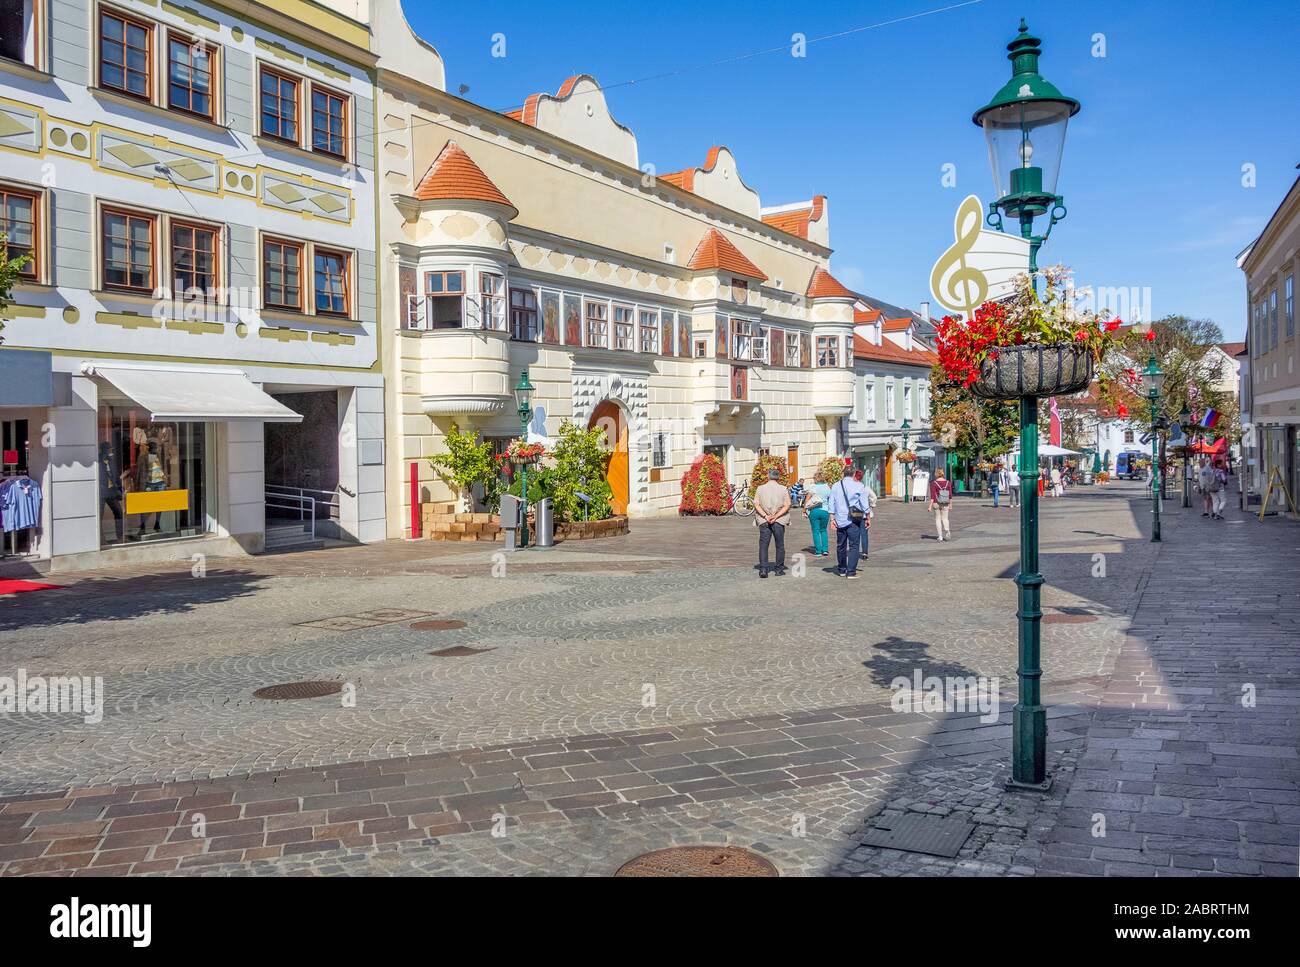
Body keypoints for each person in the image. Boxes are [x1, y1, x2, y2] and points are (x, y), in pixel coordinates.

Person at [827, 465, 868, 579]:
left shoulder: (836, 486)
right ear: (854, 474)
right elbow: (864, 504)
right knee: (854, 546)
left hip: (840, 519)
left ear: (843, 473)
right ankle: (851, 572)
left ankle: (842, 569)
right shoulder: (859, 486)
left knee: (841, 545)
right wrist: (867, 516)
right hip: (853, 519)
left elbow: (831, 503)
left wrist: (832, 519)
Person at [753, 467, 791, 578]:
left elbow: (756, 504)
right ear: (778, 477)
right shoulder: (783, 489)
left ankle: (763, 569)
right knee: (779, 544)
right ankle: (779, 569)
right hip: (779, 520)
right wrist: (776, 516)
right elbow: (787, 504)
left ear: (768, 476)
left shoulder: (760, 488)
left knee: (764, 545)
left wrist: (765, 516)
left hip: (764, 519)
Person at [853, 469, 879, 559]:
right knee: (864, 534)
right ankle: (864, 553)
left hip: (854, 512)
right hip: (864, 513)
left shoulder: (851, 488)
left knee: (854, 533)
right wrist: (871, 505)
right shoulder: (865, 487)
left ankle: (854, 551)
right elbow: (874, 497)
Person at [805, 472, 831, 557]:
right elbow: (830, 499)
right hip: (825, 511)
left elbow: (807, 499)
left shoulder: (813, 487)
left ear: (815, 478)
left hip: (814, 511)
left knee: (815, 531)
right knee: (823, 530)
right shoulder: (827, 487)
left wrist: (804, 509)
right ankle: (825, 550)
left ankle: (818, 551)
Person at [928, 467, 954, 541]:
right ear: (943, 473)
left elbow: (932, 496)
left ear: (936, 473)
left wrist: (930, 506)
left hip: (936, 502)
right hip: (945, 503)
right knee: (945, 518)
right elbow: (950, 495)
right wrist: (951, 504)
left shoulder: (933, 483)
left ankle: (940, 536)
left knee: (938, 519)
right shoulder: (948, 483)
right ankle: (947, 530)